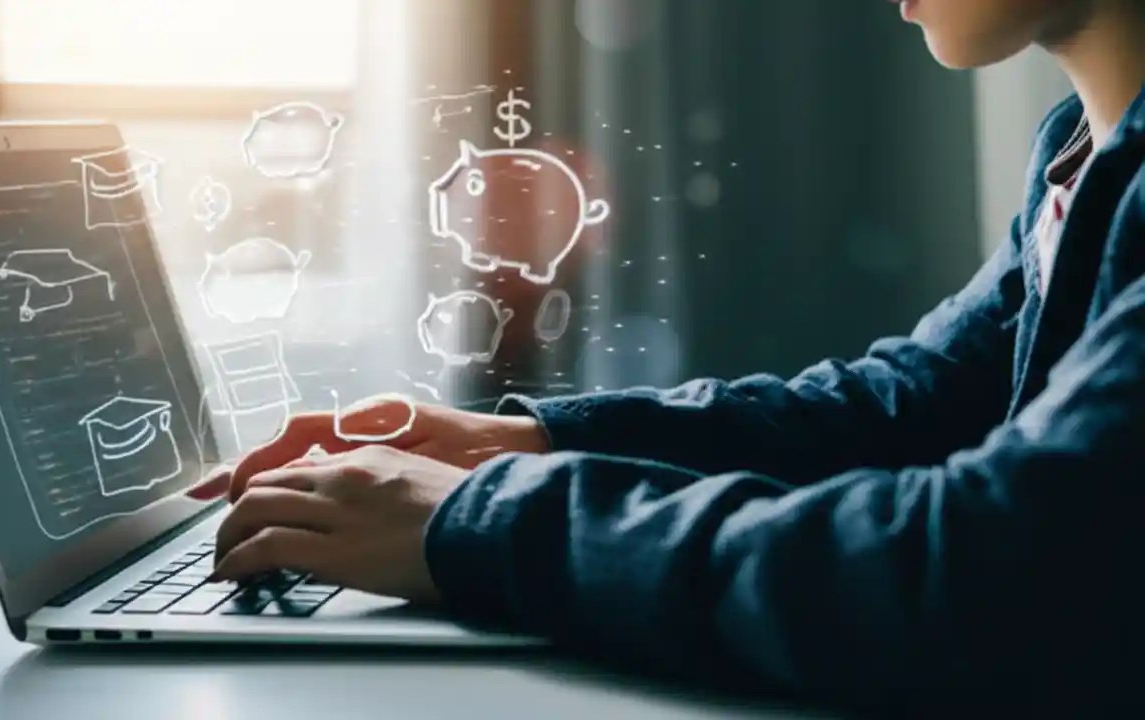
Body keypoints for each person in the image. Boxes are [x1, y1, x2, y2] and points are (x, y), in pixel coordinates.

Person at [187, 0, 1145, 707]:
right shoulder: (1079, 152)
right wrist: (520, 443)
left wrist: (483, 521)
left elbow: (980, 568)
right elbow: (908, 402)